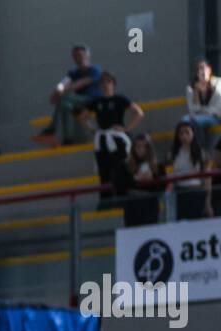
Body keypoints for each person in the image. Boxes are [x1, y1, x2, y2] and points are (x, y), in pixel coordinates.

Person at [84, 72, 144, 206]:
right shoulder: (96, 102)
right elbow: (83, 117)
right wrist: (92, 129)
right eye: (103, 82)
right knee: (104, 173)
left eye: (108, 82)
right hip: (102, 140)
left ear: (113, 84)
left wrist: (127, 128)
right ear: (100, 86)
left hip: (117, 139)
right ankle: (105, 203)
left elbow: (139, 113)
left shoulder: (120, 99)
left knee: (120, 169)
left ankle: (123, 200)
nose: (106, 85)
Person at [35, 44, 103, 146]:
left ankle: (51, 129)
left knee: (65, 97)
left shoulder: (95, 69)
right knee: (66, 106)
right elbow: (64, 82)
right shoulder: (74, 71)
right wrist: (56, 91)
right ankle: (68, 139)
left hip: (93, 100)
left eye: (80, 55)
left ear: (87, 55)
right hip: (77, 102)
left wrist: (61, 92)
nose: (78, 57)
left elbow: (81, 83)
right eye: (75, 55)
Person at [112, 132, 164, 226]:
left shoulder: (157, 166)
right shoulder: (125, 166)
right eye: (138, 146)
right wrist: (135, 180)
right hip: (132, 206)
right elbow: (119, 185)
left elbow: (162, 186)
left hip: (150, 206)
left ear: (149, 148)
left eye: (144, 146)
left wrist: (151, 180)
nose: (140, 149)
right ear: (133, 148)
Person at [167, 120, 212, 220]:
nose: (184, 136)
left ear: (193, 133)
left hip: (196, 192)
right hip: (180, 194)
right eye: (181, 133)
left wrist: (207, 202)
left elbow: (207, 179)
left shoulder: (202, 153)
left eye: (187, 132)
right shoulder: (173, 154)